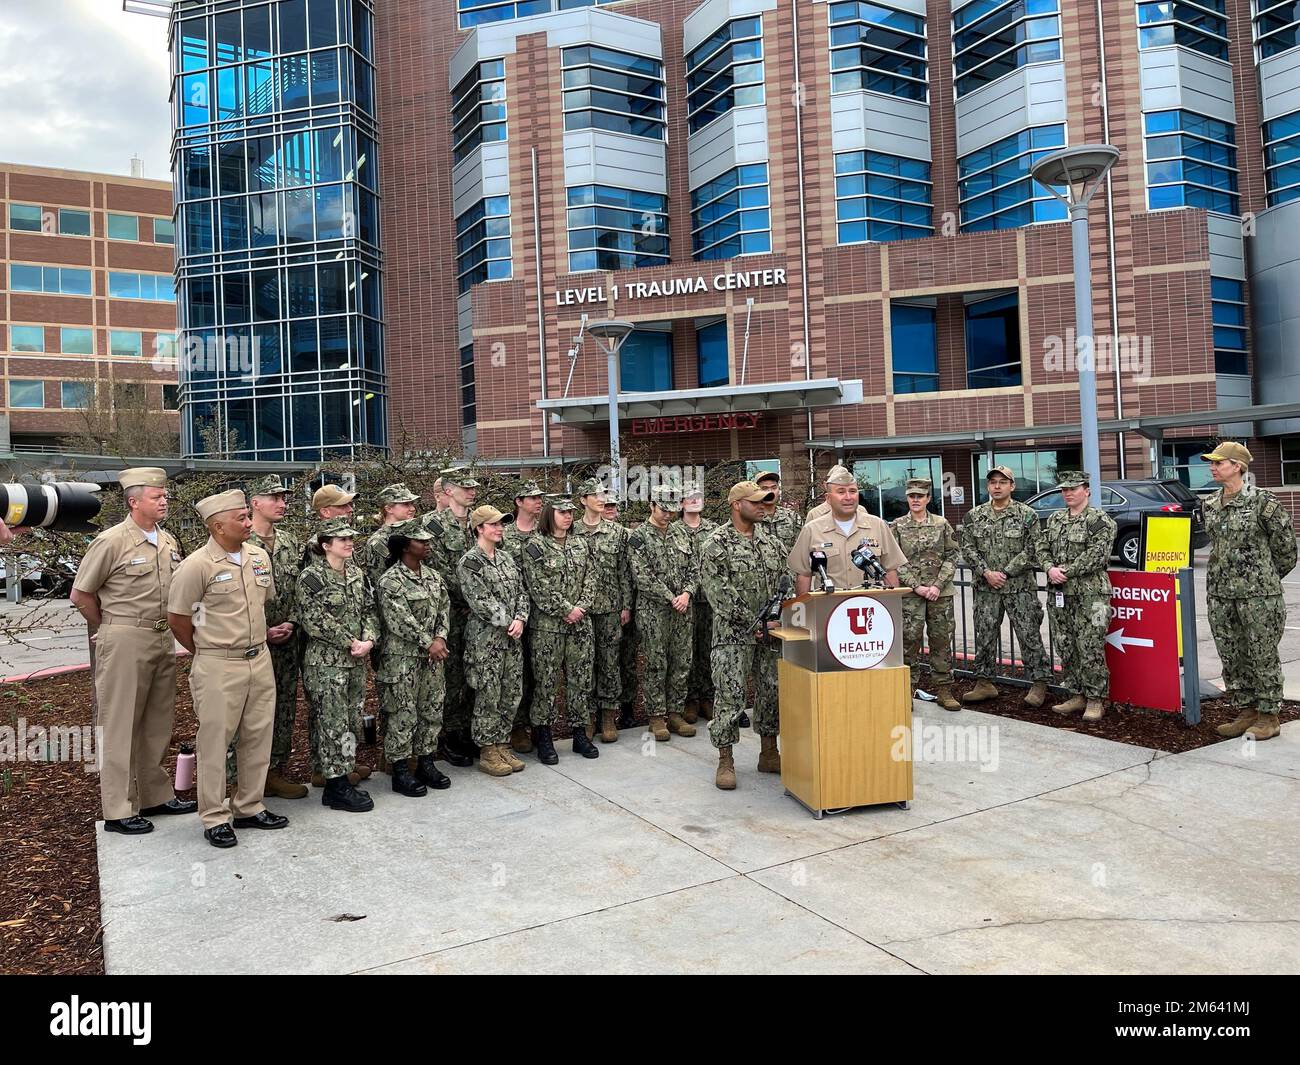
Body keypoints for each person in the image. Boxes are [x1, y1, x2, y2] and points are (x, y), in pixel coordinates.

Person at [71, 467, 195, 836]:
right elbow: (81, 595)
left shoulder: (169, 541)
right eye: (156, 497)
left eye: (164, 496)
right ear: (133, 501)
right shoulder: (111, 541)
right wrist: (106, 629)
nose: (163, 501)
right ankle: (119, 808)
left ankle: (155, 796)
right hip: (125, 637)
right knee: (120, 723)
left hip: (161, 637)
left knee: (157, 722)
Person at [167, 490, 287, 849]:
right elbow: (179, 619)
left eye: (248, 517)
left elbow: (263, 603)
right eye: (241, 518)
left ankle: (249, 806)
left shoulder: (258, 556)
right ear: (218, 525)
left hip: (259, 660)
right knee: (215, 743)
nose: (249, 523)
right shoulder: (197, 566)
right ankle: (215, 816)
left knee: (257, 736)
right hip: (219, 665)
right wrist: (208, 650)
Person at [1202, 442, 1297, 741]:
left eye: (1219, 463)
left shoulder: (1262, 502)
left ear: (1238, 466)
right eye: (1212, 463)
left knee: (1262, 655)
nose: (1213, 467)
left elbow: (1286, 550)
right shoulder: (1210, 504)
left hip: (1258, 597)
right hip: (1221, 595)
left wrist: (1263, 578)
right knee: (1231, 655)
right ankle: (1245, 711)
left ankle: (1269, 716)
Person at [700, 481, 788, 790]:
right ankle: (726, 758)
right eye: (757, 502)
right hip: (733, 636)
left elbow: (784, 582)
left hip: (771, 635)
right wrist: (756, 622)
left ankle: (769, 751)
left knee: (771, 691)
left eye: (766, 502)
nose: (764, 507)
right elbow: (719, 593)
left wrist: (775, 617)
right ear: (737, 505)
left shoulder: (771, 542)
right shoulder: (716, 543)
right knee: (730, 695)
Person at [296, 517, 381, 813]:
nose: (348, 543)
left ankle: (342, 773)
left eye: (350, 538)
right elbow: (313, 620)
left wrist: (368, 640)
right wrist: (350, 641)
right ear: (325, 545)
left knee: (351, 720)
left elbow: (371, 610)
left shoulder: (357, 575)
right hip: (326, 664)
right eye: (341, 539)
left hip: (356, 661)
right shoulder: (311, 577)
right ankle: (335, 785)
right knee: (331, 722)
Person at [958, 465, 1051, 708]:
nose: (997, 486)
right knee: (985, 635)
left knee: (1029, 635)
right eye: (992, 482)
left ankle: (1039, 682)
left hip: (1019, 588)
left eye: (1002, 482)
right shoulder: (974, 516)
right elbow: (967, 548)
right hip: (987, 588)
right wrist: (987, 572)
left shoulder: (1026, 514)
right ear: (988, 486)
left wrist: (1006, 572)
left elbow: (1034, 549)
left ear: (1012, 486)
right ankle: (984, 682)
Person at [237, 476, 306, 799]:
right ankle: (244, 777)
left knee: (284, 707)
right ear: (255, 503)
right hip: (249, 643)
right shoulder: (238, 541)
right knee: (249, 711)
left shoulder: (291, 542)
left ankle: (274, 772)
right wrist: (260, 631)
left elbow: (299, 591)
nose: (282, 503)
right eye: (274, 498)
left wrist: (291, 622)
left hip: (287, 640)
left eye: (284, 498)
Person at [375, 518, 452, 795]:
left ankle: (426, 761)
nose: (427, 545)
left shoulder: (433, 576)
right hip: (402, 658)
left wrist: (441, 637)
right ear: (406, 547)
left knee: (431, 709)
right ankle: (400, 769)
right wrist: (428, 641)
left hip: (433, 657)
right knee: (402, 712)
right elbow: (398, 619)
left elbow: (444, 607)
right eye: (421, 541)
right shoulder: (390, 581)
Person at [520, 496, 599, 762]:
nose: (568, 516)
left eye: (570, 512)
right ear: (549, 515)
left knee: (580, 681)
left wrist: (581, 608)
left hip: (580, 625)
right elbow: (538, 586)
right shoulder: (535, 545)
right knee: (546, 682)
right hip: (548, 628)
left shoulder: (581, 543)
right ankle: (544, 736)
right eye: (562, 512)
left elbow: (592, 577)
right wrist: (567, 609)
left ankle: (579, 734)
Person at [457, 505, 530, 777]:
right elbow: (479, 599)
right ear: (479, 528)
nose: (500, 528)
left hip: (512, 638)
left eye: (502, 524)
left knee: (511, 692)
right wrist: (508, 620)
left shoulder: (507, 559)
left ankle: (502, 743)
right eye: (494, 524)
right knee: (488, 694)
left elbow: (522, 591)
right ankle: (487, 750)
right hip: (486, 640)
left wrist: (520, 618)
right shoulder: (470, 562)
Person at [1038, 472, 1117, 722]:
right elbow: (1041, 547)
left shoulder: (1099, 520)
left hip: (1092, 595)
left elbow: (1098, 555)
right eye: (1064, 490)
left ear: (1087, 490)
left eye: (1073, 488)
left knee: (1090, 645)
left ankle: (1095, 698)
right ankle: (1076, 694)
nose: (1068, 493)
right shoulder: (1055, 520)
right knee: (1066, 644)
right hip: (1060, 595)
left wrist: (1065, 572)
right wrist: (1049, 568)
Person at [628, 485, 699, 742]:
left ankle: (675, 712)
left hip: (682, 609)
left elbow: (695, 567)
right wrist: (671, 598)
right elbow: (642, 576)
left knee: (682, 661)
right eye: (663, 509)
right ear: (651, 505)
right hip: (654, 611)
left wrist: (687, 594)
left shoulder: (682, 534)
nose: (668, 514)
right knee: (656, 663)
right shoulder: (639, 537)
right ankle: (656, 716)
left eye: (672, 509)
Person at [423, 467, 480, 765]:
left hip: (479, 616)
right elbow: (439, 571)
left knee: (475, 672)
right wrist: (472, 597)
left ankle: (469, 730)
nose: (471, 491)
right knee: (452, 676)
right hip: (452, 614)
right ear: (447, 491)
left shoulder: (478, 522)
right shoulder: (432, 525)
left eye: (473, 487)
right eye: (464, 487)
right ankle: (449, 735)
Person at [890, 478, 961, 711]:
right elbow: (894, 560)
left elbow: (952, 555)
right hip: (911, 595)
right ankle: (906, 690)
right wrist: (915, 586)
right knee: (908, 642)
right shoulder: (898, 526)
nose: (916, 500)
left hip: (940, 594)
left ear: (928, 498)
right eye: (912, 496)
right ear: (907, 498)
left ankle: (944, 690)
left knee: (941, 641)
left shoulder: (941, 524)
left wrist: (938, 585)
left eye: (920, 496)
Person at [574, 477, 634, 740]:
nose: (600, 499)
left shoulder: (618, 532)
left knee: (610, 663)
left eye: (603, 495)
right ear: (583, 500)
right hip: (581, 611)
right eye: (595, 495)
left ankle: (609, 716)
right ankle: (587, 717)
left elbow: (625, 572)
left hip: (610, 608)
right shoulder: (570, 531)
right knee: (584, 664)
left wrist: (626, 605)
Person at [787, 465, 906, 593]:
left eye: (853, 491)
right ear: (828, 498)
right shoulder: (812, 530)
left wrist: (892, 609)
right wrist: (806, 611)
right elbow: (804, 575)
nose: (848, 497)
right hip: (828, 608)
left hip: (870, 607)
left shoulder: (878, 526)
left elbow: (890, 570)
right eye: (841, 492)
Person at [501, 480, 546, 754]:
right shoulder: (503, 535)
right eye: (532, 498)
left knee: (539, 671)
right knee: (515, 674)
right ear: (519, 501)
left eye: (540, 497)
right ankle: (517, 727)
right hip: (513, 616)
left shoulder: (544, 534)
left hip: (542, 613)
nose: (538, 501)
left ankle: (537, 724)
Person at [680, 486, 717, 723]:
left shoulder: (714, 530)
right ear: (681, 503)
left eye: (699, 497)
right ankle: (690, 699)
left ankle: (708, 697)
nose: (695, 501)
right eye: (690, 498)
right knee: (687, 652)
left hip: (710, 599)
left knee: (709, 649)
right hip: (685, 602)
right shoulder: (674, 531)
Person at [363, 483, 420, 585]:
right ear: (389, 509)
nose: (412, 508)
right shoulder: (378, 542)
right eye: (405, 504)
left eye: (412, 504)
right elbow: (378, 582)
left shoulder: (416, 533)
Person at [755, 469, 802, 556]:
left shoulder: (792, 517)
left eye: (774, 488)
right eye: (764, 488)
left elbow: (802, 548)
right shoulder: (751, 518)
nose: (770, 492)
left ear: (779, 490)